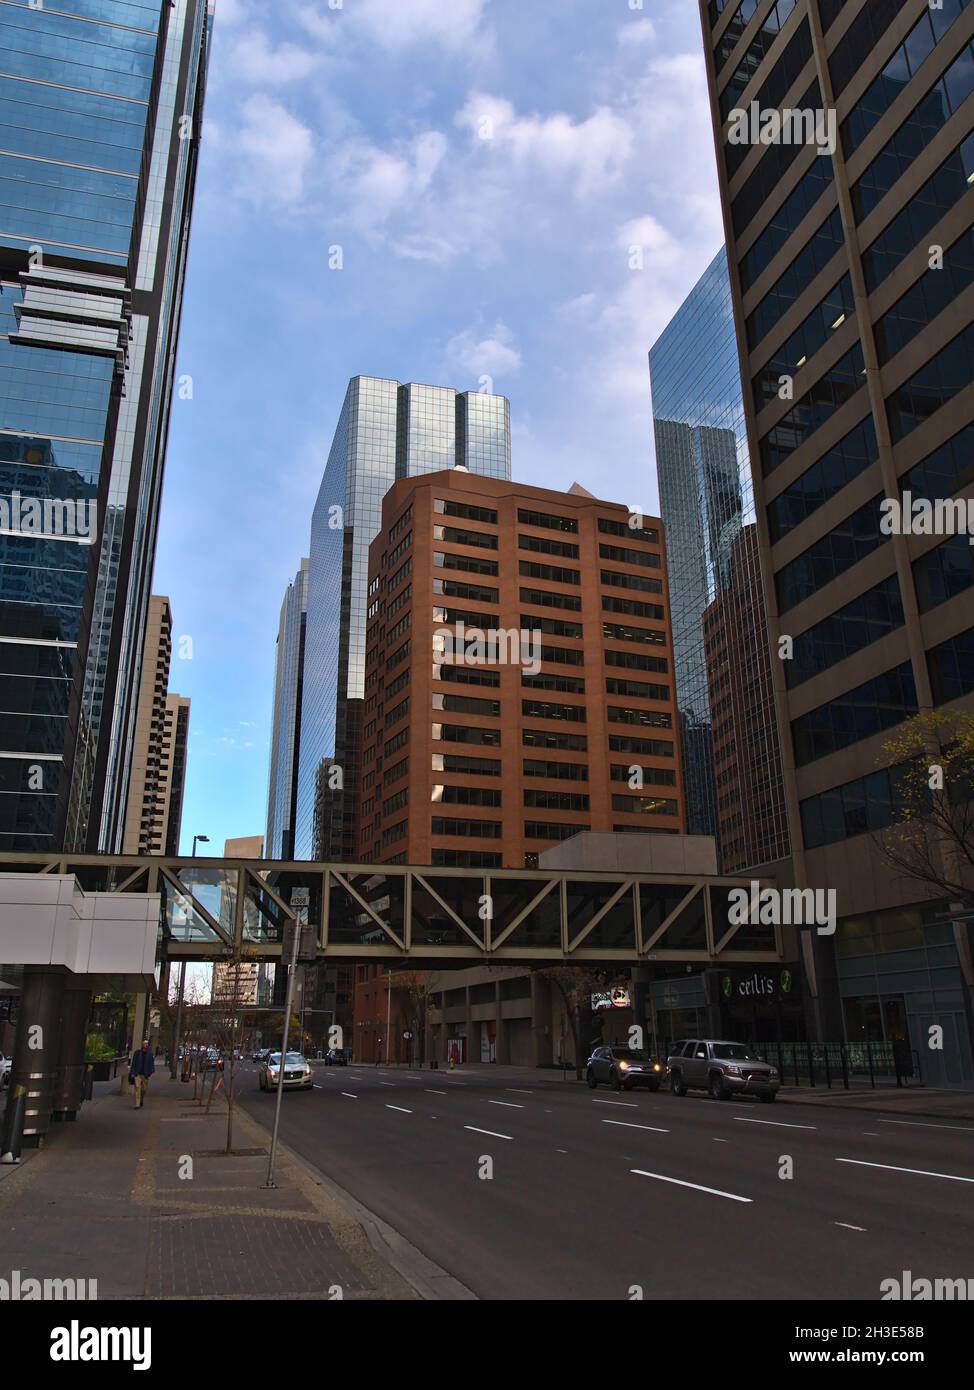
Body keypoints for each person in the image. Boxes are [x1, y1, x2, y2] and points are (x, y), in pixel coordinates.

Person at [129, 1038, 155, 1108]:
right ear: (142, 1044)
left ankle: (141, 1099)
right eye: (144, 1043)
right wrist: (132, 1072)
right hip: (137, 1073)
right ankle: (137, 1104)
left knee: (144, 1089)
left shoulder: (150, 1054)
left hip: (145, 1074)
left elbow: (151, 1064)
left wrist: (150, 1072)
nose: (146, 1045)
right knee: (137, 1088)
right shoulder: (137, 1053)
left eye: (147, 1043)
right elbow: (133, 1063)